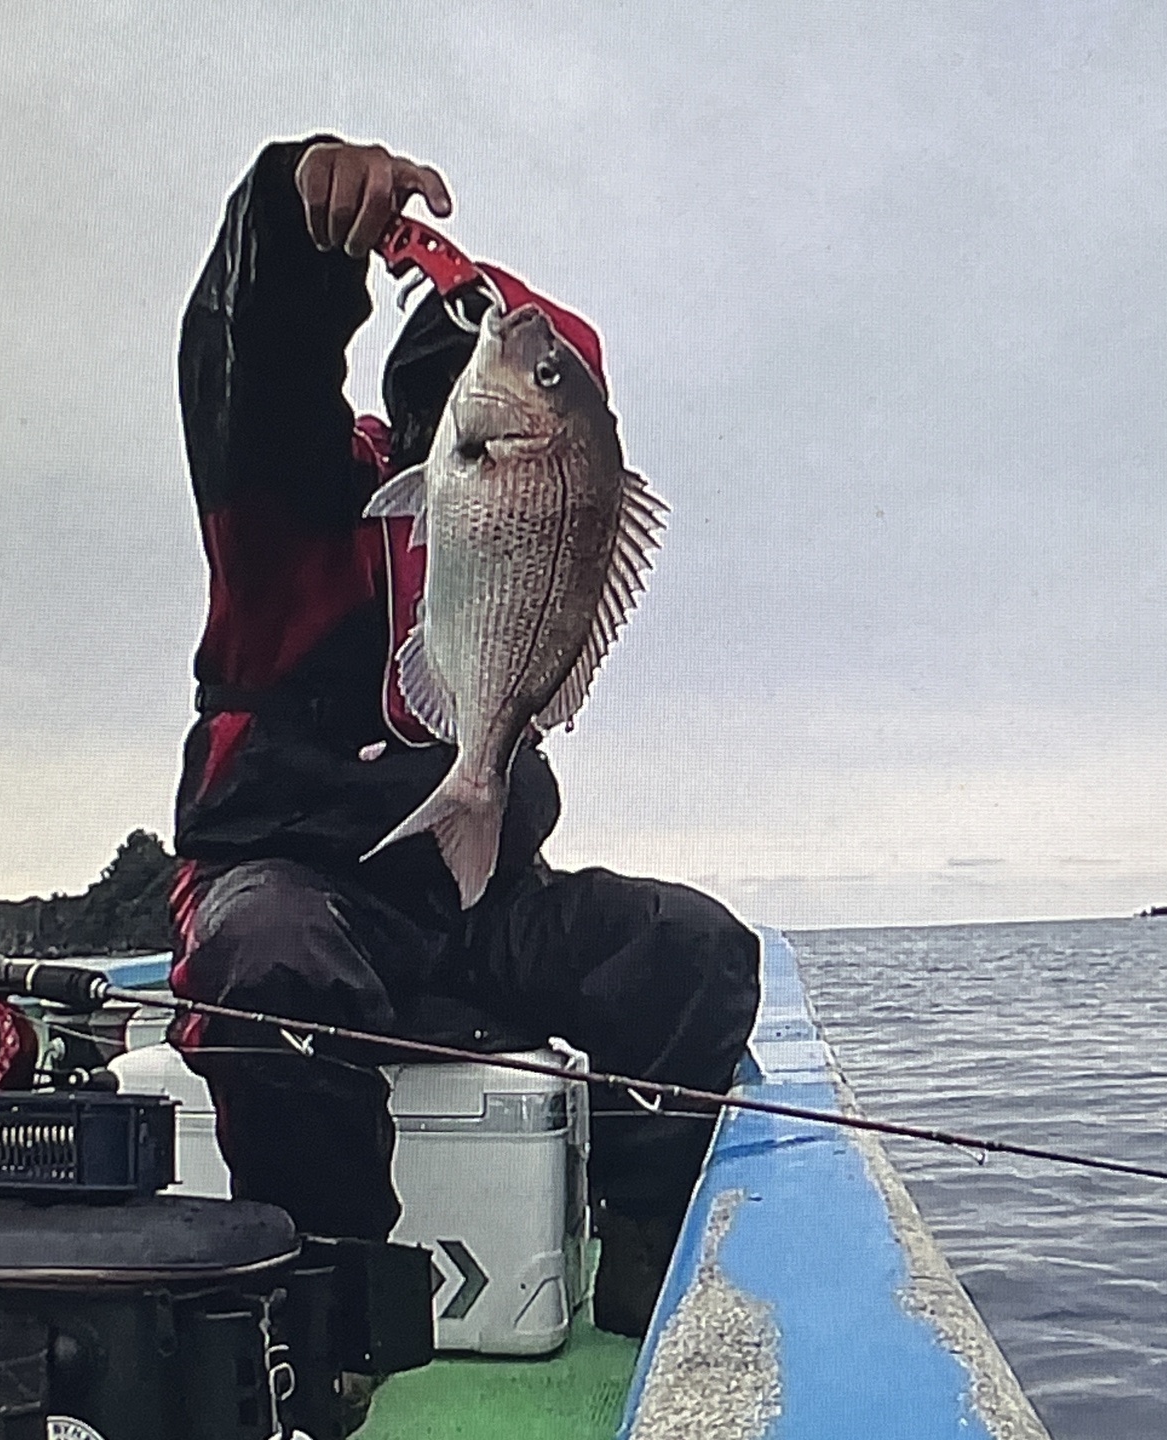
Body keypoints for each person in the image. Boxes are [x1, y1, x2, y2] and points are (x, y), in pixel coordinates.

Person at [166, 135, 760, 1338]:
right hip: (293, 876)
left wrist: (488, 301)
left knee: (689, 951)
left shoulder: (536, 476)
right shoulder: (291, 491)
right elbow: (253, 355)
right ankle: (331, 1328)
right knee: (271, 963)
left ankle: (647, 1275)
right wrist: (296, 219)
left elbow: (567, 384)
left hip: (472, 890)